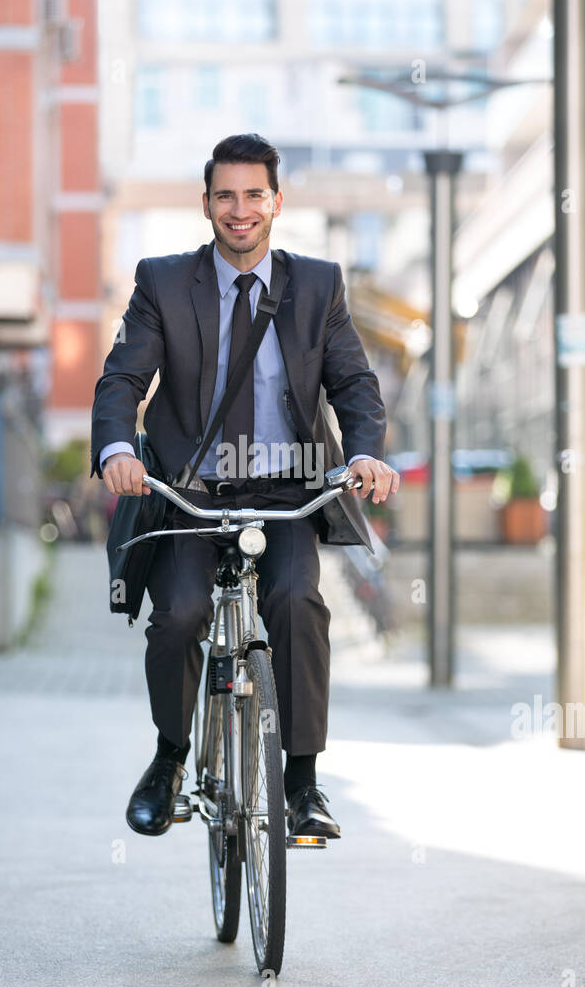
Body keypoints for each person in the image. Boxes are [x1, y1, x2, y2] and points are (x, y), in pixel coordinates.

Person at [91, 134, 399, 841]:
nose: (240, 209)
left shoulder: (318, 284)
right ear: (206, 205)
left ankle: (302, 785)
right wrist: (115, 446)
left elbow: (353, 382)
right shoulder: (164, 282)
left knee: (297, 602)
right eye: (225, 195)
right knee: (180, 613)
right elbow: (123, 378)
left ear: (277, 203)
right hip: (191, 493)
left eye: (253, 194)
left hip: (287, 491)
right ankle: (170, 758)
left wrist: (364, 455)